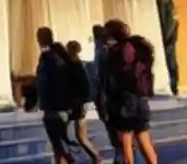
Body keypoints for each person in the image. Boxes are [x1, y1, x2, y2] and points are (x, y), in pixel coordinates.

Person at [101, 19, 160, 164]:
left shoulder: (115, 52)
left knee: (126, 146)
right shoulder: (138, 47)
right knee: (144, 140)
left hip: (124, 102)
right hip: (141, 99)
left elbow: (113, 79)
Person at [35, 27, 75, 164]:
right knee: (58, 141)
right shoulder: (59, 55)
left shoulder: (48, 57)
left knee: (57, 142)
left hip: (53, 105)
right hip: (60, 105)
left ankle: (68, 160)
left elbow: (44, 81)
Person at [66, 40, 104, 164]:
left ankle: (95, 157)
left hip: (78, 104)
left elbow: (83, 87)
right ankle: (94, 157)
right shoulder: (78, 65)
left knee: (80, 135)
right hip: (78, 103)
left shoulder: (74, 66)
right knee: (78, 135)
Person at [90, 25, 124, 163]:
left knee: (114, 129)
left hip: (108, 97)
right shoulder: (112, 50)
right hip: (114, 96)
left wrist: (99, 98)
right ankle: (121, 155)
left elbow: (100, 77)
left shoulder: (102, 52)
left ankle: (121, 156)